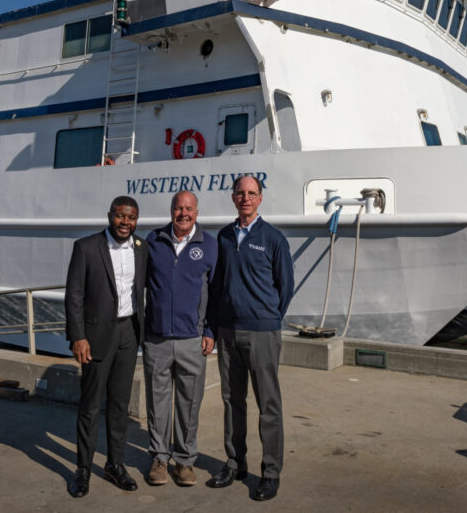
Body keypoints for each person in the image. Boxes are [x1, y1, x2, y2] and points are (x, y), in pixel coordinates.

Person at [206, 174, 295, 502]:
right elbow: (217, 287)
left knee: (268, 404)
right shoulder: (225, 236)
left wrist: (268, 318)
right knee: (232, 400)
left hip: (262, 333)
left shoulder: (273, 238)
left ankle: (271, 472)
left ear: (260, 198)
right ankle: (235, 462)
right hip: (228, 332)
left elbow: (285, 287)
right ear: (233, 198)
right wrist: (213, 328)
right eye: (240, 193)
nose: (245, 198)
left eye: (251, 193)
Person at [64, 196, 147, 498]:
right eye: (121, 216)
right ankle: (83, 469)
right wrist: (78, 337)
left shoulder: (142, 248)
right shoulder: (86, 247)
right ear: (110, 215)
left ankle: (115, 464)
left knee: (119, 405)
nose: (126, 223)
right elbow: (74, 295)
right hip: (96, 335)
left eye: (132, 218)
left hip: (129, 332)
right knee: (90, 406)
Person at [142, 190, 218, 487]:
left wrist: (210, 331)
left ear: (197, 213)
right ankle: (160, 458)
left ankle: (185, 461)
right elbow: (138, 285)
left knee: (189, 402)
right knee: (157, 402)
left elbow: (216, 293)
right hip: (157, 338)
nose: (183, 214)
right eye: (178, 208)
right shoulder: (153, 241)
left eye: (188, 209)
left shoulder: (209, 245)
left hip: (192, 339)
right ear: (171, 210)